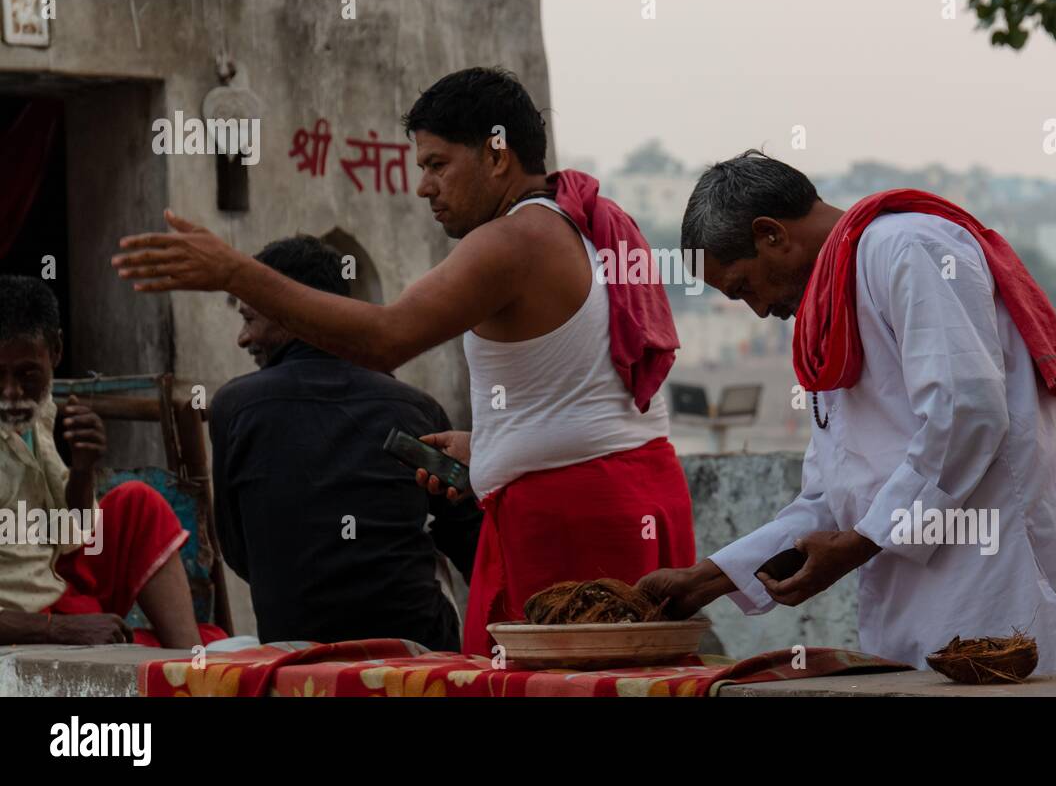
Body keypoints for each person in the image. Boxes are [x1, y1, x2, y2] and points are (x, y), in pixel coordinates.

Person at [113, 67, 695, 655]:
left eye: (437, 165)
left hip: (576, 517)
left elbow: (387, 339)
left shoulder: (513, 240)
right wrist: (490, 443)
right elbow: (581, 392)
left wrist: (233, 271)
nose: (424, 187)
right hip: (621, 500)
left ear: (497, 155)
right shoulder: (575, 222)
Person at [639, 152, 1056, 675]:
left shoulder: (905, 247)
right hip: (918, 600)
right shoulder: (831, 305)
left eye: (744, 287)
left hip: (1002, 576)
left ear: (771, 235)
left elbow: (966, 413)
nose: (759, 309)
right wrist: (706, 580)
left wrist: (862, 542)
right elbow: (831, 497)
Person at [209, 235, 480, 651]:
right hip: (416, 655)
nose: (243, 338)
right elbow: (471, 546)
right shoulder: (415, 409)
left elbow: (241, 554)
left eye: (250, 318)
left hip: (294, 657)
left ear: (291, 313)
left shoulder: (234, 407)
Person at [0, 275, 210, 648]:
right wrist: (56, 630)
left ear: (56, 352)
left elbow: (72, 528)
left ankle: (194, 670)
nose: (11, 393)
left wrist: (83, 469)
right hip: (21, 620)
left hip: (53, 587)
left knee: (137, 504)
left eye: (27, 374)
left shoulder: (40, 413)